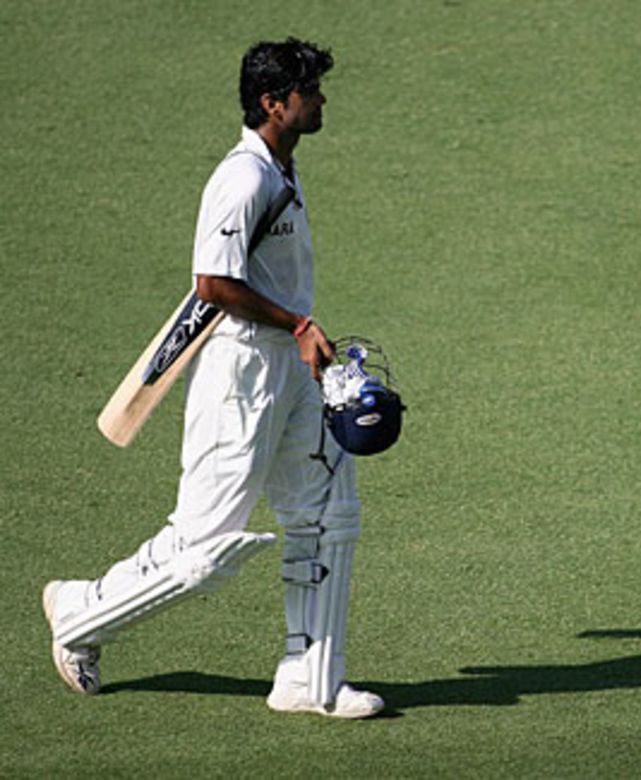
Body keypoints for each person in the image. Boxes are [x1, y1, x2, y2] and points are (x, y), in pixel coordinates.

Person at [41, 38, 384, 719]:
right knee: (203, 548)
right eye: (309, 91)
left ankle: (309, 680)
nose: (320, 100)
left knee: (327, 510)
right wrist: (295, 323)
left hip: (286, 363)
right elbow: (212, 283)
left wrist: (300, 336)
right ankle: (80, 614)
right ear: (273, 103)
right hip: (241, 373)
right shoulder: (242, 180)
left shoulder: (280, 168)